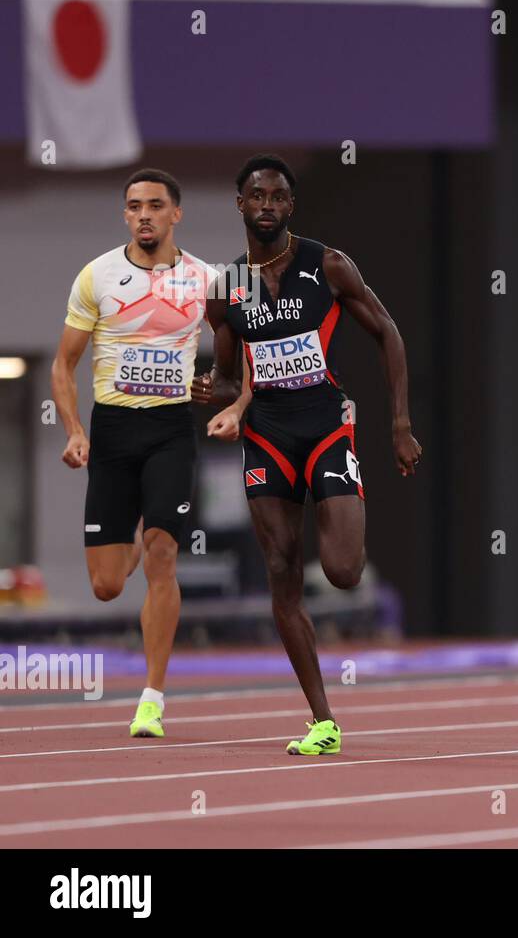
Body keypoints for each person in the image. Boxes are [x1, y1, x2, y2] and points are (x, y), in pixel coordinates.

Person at [193, 154, 422, 756]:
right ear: (240, 205)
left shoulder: (329, 264)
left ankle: (337, 506)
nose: (267, 205)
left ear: (290, 206)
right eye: (256, 196)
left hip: (325, 428)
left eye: (277, 196)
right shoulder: (226, 288)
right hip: (266, 435)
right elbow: (223, 377)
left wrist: (399, 423)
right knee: (280, 570)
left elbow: (387, 331)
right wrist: (209, 395)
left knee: (344, 571)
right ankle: (323, 718)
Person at [51, 168, 214, 738]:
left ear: (176, 214)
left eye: (154, 205)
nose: (143, 214)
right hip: (114, 432)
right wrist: (74, 430)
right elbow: (63, 365)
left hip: (171, 430)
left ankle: (152, 698)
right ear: (125, 215)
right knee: (107, 585)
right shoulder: (97, 275)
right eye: (133, 206)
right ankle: (141, 525)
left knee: (163, 554)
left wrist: (225, 392)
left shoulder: (207, 279)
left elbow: (244, 347)